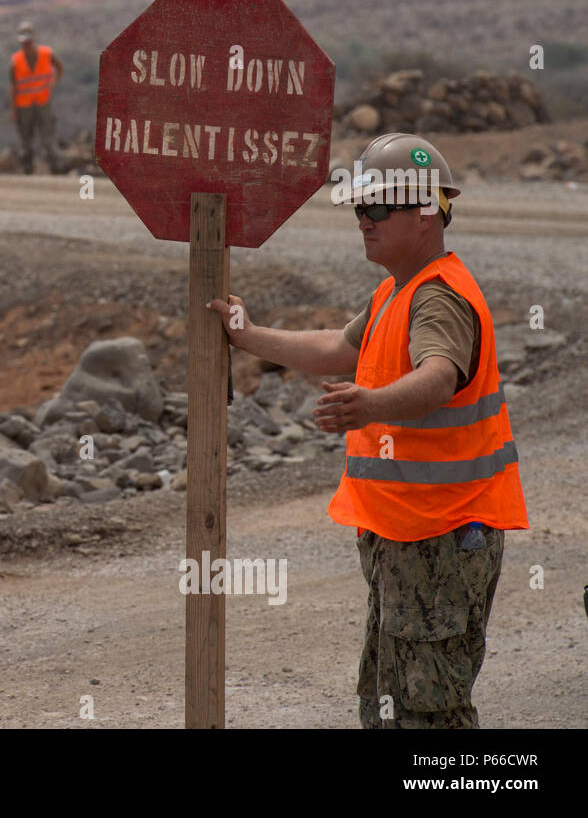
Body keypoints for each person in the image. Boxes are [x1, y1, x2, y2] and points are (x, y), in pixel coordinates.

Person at [207, 132, 528, 728]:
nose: (364, 220)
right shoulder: (395, 292)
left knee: (429, 714)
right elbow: (336, 346)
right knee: (389, 703)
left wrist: (371, 405)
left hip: (445, 534)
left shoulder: (439, 299)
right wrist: (247, 335)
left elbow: (438, 378)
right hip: (409, 537)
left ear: (427, 211)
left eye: (379, 207)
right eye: (361, 207)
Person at [8, 21, 62, 174]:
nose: (26, 44)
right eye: (23, 42)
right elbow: (13, 86)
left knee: (48, 139)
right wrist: (13, 110)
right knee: (26, 141)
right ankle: (27, 171)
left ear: (33, 38)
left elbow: (59, 68)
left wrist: (53, 83)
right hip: (24, 106)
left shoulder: (46, 53)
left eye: (28, 41)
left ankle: (56, 169)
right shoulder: (15, 61)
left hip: (43, 102)